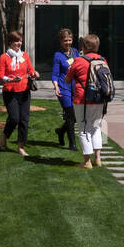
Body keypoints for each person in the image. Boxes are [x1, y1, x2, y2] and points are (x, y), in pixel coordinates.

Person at [66, 33, 109, 168]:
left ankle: (86, 161)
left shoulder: (79, 61)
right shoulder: (103, 60)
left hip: (82, 99)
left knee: (84, 129)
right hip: (100, 100)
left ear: (84, 46)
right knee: (96, 128)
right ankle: (98, 158)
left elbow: (67, 80)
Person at [0, 30, 39, 157]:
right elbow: (0, 76)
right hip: (10, 92)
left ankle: (20, 146)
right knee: (14, 118)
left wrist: (34, 73)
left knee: (24, 120)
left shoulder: (25, 55)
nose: (19, 43)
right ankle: (4, 136)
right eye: (16, 41)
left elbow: (30, 70)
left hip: (25, 91)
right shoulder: (4, 57)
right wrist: (10, 79)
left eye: (20, 40)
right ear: (10, 42)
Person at [51, 28, 79, 150]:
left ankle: (61, 131)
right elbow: (55, 74)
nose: (67, 42)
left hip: (75, 88)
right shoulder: (58, 55)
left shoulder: (75, 52)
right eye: (65, 40)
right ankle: (72, 144)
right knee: (70, 115)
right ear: (61, 41)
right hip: (63, 88)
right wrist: (56, 87)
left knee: (75, 116)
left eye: (69, 40)